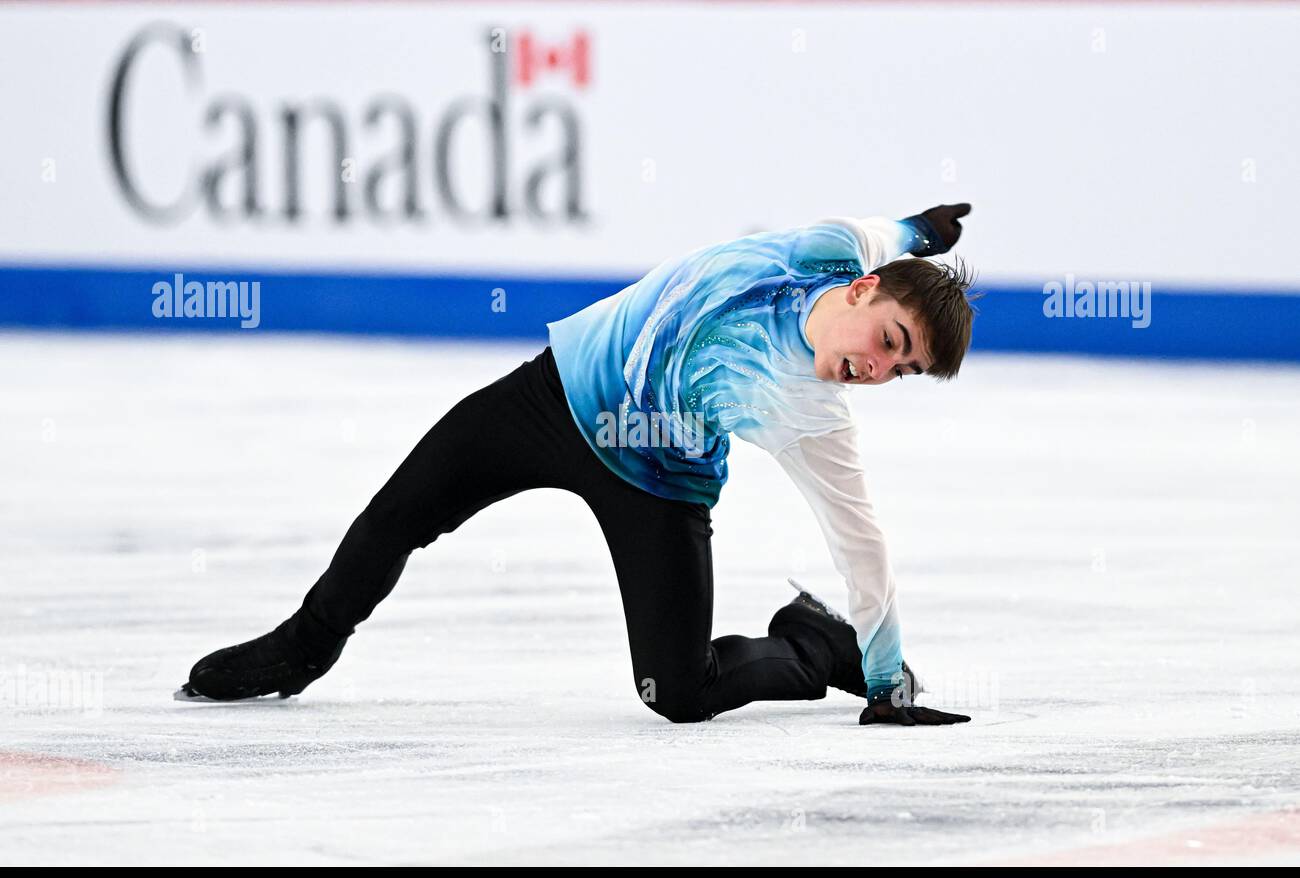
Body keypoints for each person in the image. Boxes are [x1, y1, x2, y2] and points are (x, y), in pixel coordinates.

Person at [178, 203, 978, 727]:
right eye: (891, 342)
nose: (881, 370)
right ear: (862, 290)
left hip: (656, 480)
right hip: (554, 396)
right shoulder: (827, 249)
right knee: (401, 510)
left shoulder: (815, 420)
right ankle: (305, 643)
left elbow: (860, 541)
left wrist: (882, 676)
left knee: (679, 693)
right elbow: (885, 236)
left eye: (900, 372)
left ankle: (812, 646)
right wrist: (920, 231)